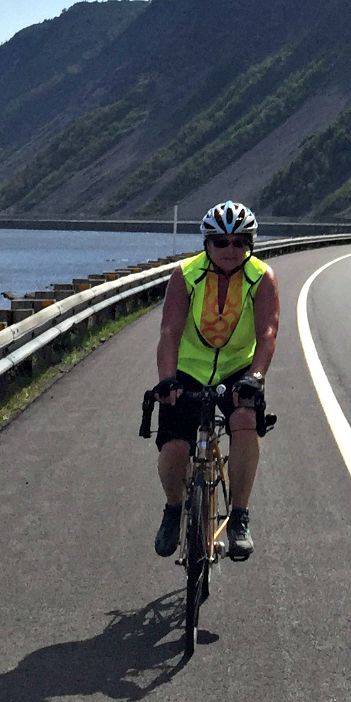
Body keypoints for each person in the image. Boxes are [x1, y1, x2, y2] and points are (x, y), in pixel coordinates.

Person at [151, 201, 280, 561]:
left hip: (239, 370)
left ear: (250, 244)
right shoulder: (186, 275)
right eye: (221, 242)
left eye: (239, 242)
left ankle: (239, 516)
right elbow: (169, 331)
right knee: (175, 448)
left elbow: (267, 333)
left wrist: (256, 377)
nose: (230, 249)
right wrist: (167, 380)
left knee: (245, 420)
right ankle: (173, 508)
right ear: (207, 244)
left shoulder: (261, 277)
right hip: (189, 369)